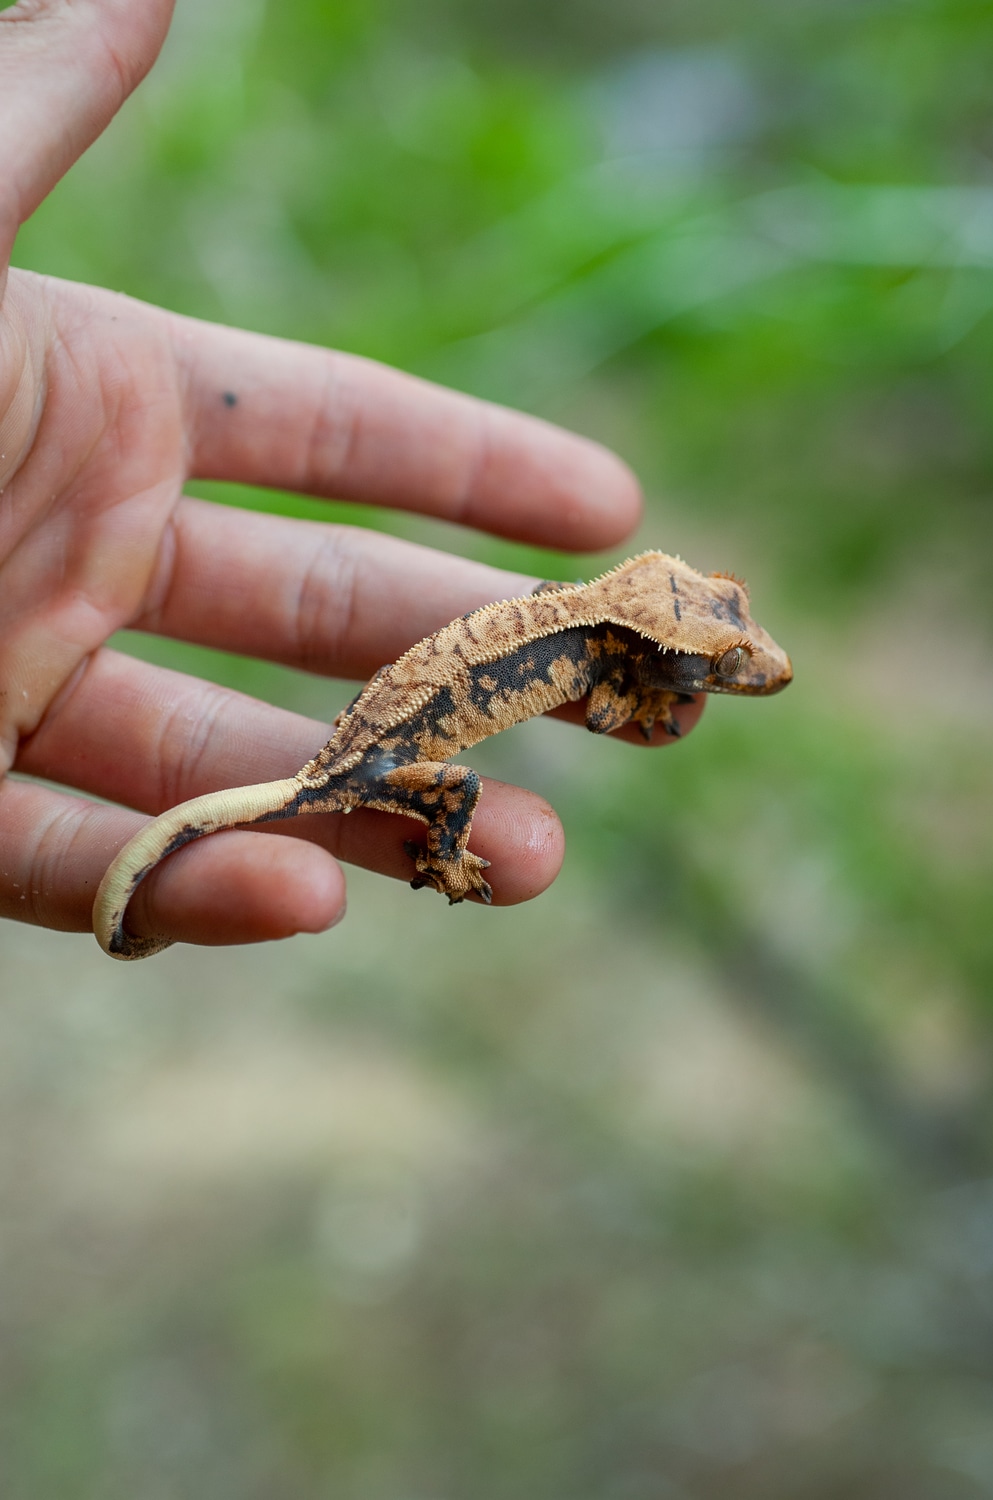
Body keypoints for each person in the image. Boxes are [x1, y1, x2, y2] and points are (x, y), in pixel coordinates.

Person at [0, 0, 702, 951]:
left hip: (364, 748)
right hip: (374, 766)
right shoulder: (607, 663)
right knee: (454, 789)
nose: (747, 669)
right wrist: (652, 702)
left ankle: (206, 868)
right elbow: (617, 707)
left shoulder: (592, 630)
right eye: (725, 661)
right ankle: (441, 855)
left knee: (400, 784)